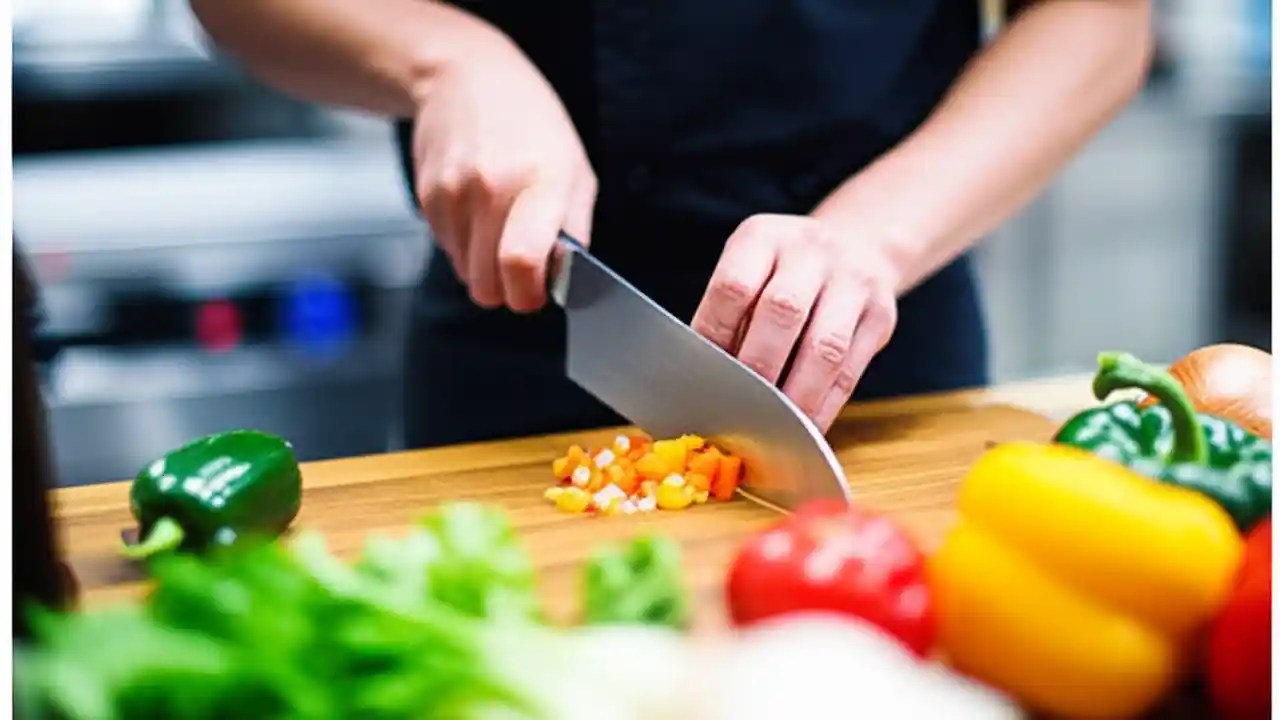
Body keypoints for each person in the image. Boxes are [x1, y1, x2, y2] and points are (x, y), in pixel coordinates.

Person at [189, 0, 1153, 448]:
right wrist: (444, 58)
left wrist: (876, 235)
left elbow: (1102, 17)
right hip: (521, 311)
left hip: (870, 344)